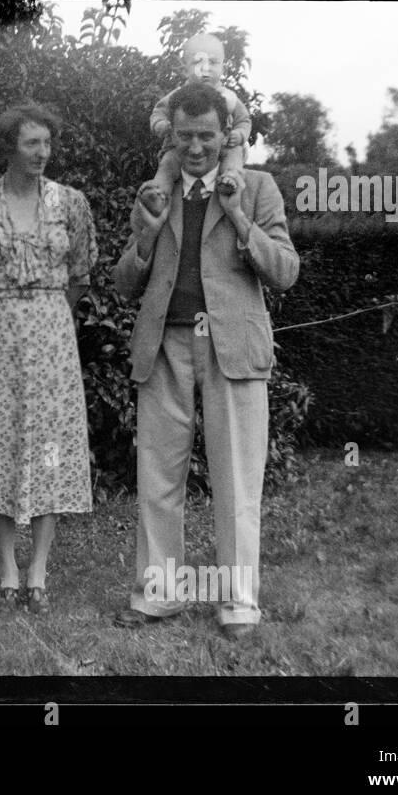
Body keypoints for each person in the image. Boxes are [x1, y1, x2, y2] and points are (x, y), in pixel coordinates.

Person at [111, 81, 299, 638]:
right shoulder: (154, 192)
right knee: (158, 478)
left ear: (227, 135)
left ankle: (239, 603)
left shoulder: (259, 188)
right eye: (186, 136)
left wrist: (239, 218)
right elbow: (125, 283)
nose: (196, 148)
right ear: (172, 135)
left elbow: (285, 272)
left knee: (237, 479)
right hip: (165, 345)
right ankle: (158, 595)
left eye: (207, 137)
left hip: (232, 348)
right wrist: (144, 240)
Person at [0, 102, 98, 615]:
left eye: (47, 143)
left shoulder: (71, 203)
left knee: (49, 449)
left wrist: (46, 317)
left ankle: (38, 573)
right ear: (8, 148)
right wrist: (3, 317)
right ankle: (7, 572)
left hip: (52, 342)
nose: (42, 153)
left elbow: (81, 272)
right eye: (31, 144)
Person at [140, 33, 252, 215]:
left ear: (223, 67)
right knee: (168, 164)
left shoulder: (229, 97)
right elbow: (158, 112)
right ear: (185, 69)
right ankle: (158, 194)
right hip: (179, 149)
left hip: (225, 145)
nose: (205, 69)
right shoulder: (178, 95)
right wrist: (161, 125)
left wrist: (239, 134)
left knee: (235, 154)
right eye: (197, 63)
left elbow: (244, 120)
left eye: (213, 63)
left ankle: (230, 179)